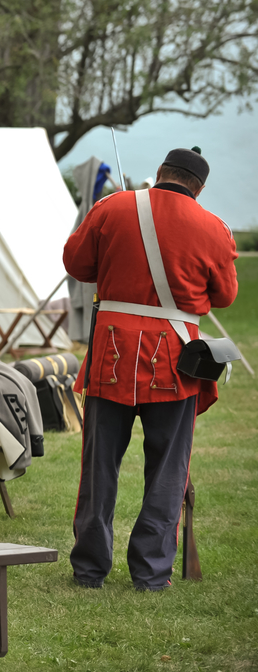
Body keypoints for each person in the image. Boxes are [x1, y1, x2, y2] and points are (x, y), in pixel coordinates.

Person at [64, 147, 237, 591]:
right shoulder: (214, 228)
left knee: (99, 467)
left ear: (160, 173)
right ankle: (151, 574)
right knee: (167, 472)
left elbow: (76, 263)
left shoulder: (112, 207)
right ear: (199, 188)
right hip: (175, 363)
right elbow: (224, 296)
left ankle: (89, 570)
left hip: (111, 357)